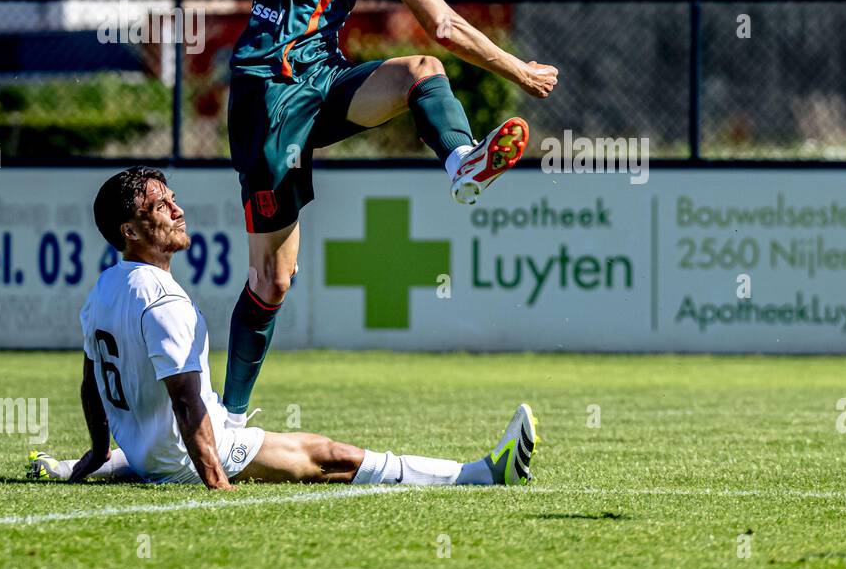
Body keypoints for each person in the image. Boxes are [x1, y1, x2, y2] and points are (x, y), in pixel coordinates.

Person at [138, 0, 559, 423]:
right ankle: (227, 420)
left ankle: (463, 163)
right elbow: (439, 22)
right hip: (269, 92)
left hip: (320, 79)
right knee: (271, 281)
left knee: (420, 74)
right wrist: (517, 69)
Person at [28, 167, 536, 490]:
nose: (178, 210)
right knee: (332, 459)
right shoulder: (162, 299)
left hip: (149, 453)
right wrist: (216, 482)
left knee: (184, 438)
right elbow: (186, 402)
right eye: (160, 206)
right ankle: (483, 474)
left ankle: (91, 462)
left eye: (172, 198)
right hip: (188, 455)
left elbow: (90, 383)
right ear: (131, 231)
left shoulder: (103, 290)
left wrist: (94, 456)